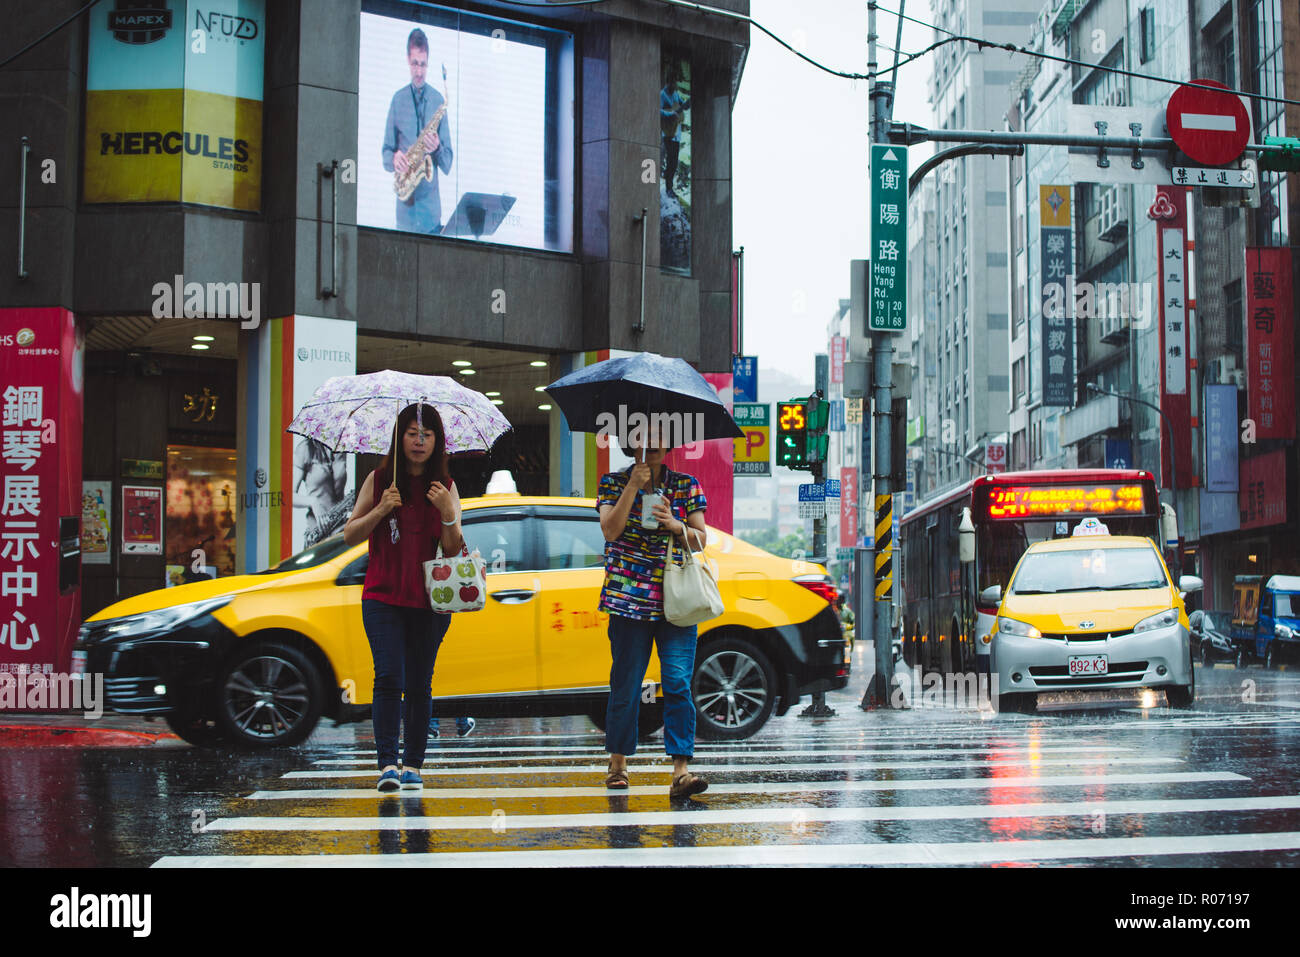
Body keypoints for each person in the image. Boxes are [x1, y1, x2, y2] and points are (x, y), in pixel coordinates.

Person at [343, 403, 463, 792]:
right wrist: (381, 509)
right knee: (389, 675)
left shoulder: (445, 487)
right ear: (400, 436)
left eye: (427, 435)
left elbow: (453, 547)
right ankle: (386, 766)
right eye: (412, 433)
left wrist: (447, 512)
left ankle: (412, 764)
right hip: (382, 595)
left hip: (429, 600)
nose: (419, 441)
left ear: (437, 441)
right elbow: (350, 535)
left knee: (419, 681)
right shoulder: (379, 480)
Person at [596, 430, 709, 799]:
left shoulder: (686, 485)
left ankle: (681, 770)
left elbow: (701, 538)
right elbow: (611, 530)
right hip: (627, 600)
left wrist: (675, 525)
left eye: (660, 434)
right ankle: (618, 762)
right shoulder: (612, 482)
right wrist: (633, 485)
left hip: (676, 600)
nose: (653, 442)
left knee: (677, 681)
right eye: (643, 435)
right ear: (632, 444)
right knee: (626, 685)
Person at [382, 28, 454, 234]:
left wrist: (437, 148)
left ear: (428, 61)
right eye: (415, 63)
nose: (419, 71)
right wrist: (394, 158)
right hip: (405, 214)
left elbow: (448, 163)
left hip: (430, 216)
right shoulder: (398, 100)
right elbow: (385, 154)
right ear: (407, 59)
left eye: (423, 64)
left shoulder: (439, 100)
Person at [660, 67, 690, 196]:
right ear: (668, 82)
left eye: (675, 82)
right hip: (667, 133)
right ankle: (667, 187)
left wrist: (687, 104)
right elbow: (658, 110)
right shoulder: (662, 94)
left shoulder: (676, 94)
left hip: (676, 134)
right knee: (670, 161)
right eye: (672, 82)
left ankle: (669, 187)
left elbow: (683, 105)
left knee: (673, 162)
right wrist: (671, 114)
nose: (674, 85)